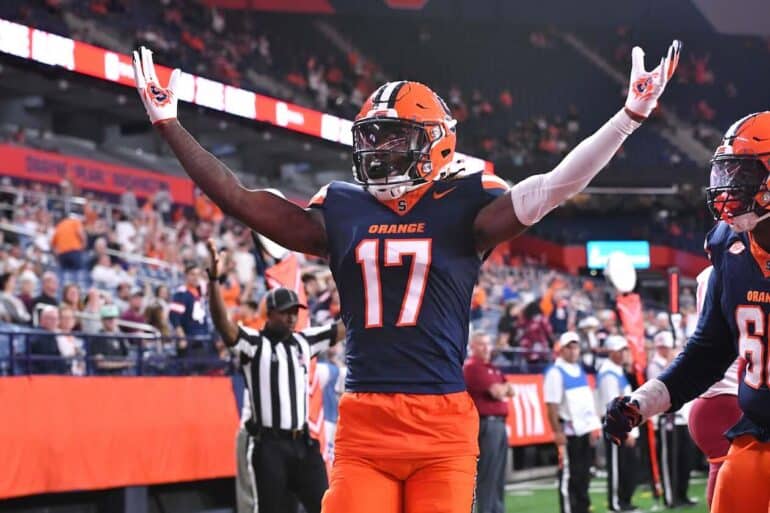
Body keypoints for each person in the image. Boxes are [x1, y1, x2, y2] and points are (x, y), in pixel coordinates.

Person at [133, 40, 680, 513]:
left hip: (441, 424)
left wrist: (628, 116)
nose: (377, 150)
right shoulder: (341, 206)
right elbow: (239, 199)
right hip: (364, 422)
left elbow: (556, 185)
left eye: (393, 138)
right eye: (372, 137)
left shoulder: (467, 202)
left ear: (435, 141)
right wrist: (169, 125)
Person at [604, 110, 770, 513]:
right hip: (759, 432)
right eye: (726, 172)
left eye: (743, 175)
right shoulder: (729, 247)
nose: (728, 187)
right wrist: (641, 403)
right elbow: (707, 352)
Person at [206, 239, 345, 513]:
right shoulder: (254, 343)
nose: (292, 318)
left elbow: (343, 327)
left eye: (294, 312)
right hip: (269, 445)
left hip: (303, 442)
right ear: (269, 314)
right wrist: (213, 280)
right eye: (285, 313)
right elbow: (224, 325)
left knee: (326, 506)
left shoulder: (304, 341)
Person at [686, 266, 741, 507]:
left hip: (713, 398)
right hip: (729, 399)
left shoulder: (710, 275)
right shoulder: (736, 272)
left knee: (724, 474)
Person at [544, 331, 602, 513]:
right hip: (568, 432)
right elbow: (551, 406)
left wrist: (592, 427)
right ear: (561, 350)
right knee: (569, 476)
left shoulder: (579, 370)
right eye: (569, 347)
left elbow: (587, 403)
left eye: (575, 347)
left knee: (583, 475)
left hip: (583, 430)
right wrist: (557, 432)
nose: (573, 351)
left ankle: (582, 508)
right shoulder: (555, 373)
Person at [463, 330, 515, 513]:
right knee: (488, 473)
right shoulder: (473, 367)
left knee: (498, 474)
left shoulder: (491, 367)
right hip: (487, 424)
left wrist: (503, 388)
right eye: (481, 344)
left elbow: (511, 390)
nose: (486, 348)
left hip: (498, 423)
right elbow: (498, 392)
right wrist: (503, 388)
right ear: (472, 346)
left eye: (488, 343)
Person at [596, 335, 638, 512]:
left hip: (623, 425)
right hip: (616, 427)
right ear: (611, 352)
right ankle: (616, 503)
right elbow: (613, 407)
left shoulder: (618, 370)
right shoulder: (609, 373)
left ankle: (625, 500)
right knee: (616, 466)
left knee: (626, 465)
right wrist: (626, 431)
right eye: (620, 350)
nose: (624, 353)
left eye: (625, 350)